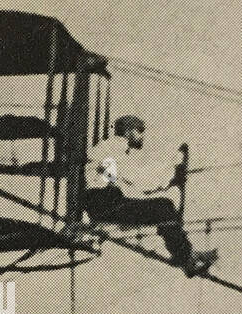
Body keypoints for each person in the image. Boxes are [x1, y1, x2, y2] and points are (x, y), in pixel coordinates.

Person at [81, 115, 217, 276]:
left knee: (163, 205)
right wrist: (173, 176)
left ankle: (187, 253)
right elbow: (136, 179)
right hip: (105, 204)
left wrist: (169, 183)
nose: (142, 136)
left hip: (107, 201)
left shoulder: (112, 148)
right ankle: (185, 258)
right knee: (163, 208)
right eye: (140, 131)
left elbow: (134, 187)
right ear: (128, 131)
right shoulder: (112, 148)